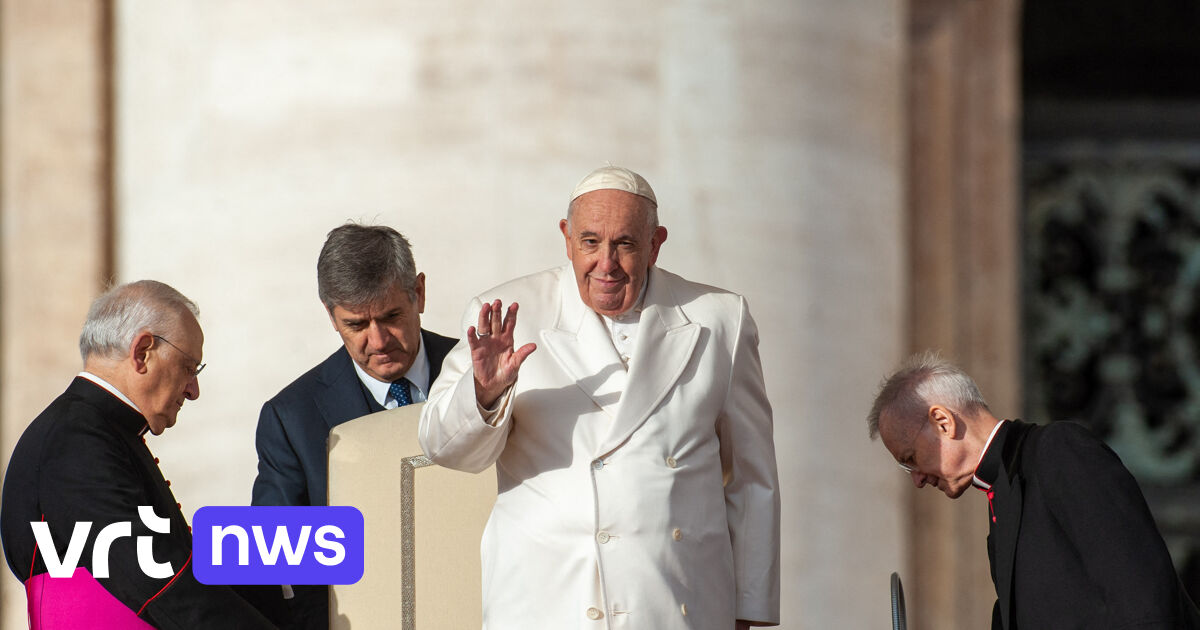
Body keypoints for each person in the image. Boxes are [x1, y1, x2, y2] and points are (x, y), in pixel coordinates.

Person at [419, 165, 780, 630]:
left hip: (676, 603)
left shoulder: (719, 320)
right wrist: (484, 394)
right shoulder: (509, 312)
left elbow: (753, 479)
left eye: (624, 244)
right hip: (547, 603)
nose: (605, 263)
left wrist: (747, 609)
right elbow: (443, 448)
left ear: (655, 244)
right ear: (567, 238)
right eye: (590, 242)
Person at [0, 280, 274, 629]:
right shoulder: (76, 439)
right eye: (189, 367)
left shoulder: (95, 430)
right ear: (142, 352)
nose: (194, 390)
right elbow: (159, 582)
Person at [866, 351, 1200, 629]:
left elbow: (1146, 599)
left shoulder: (1059, 451)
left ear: (943, 422)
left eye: (910, 459)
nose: (917, 479)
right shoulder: (1003, 501)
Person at [251, 222, 456, 629]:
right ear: (331, 316)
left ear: (420, 293)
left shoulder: (480, 375)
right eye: (357, 326)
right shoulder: (291, 418)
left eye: (391, 316)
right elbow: (273, 563)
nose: (378, 341)